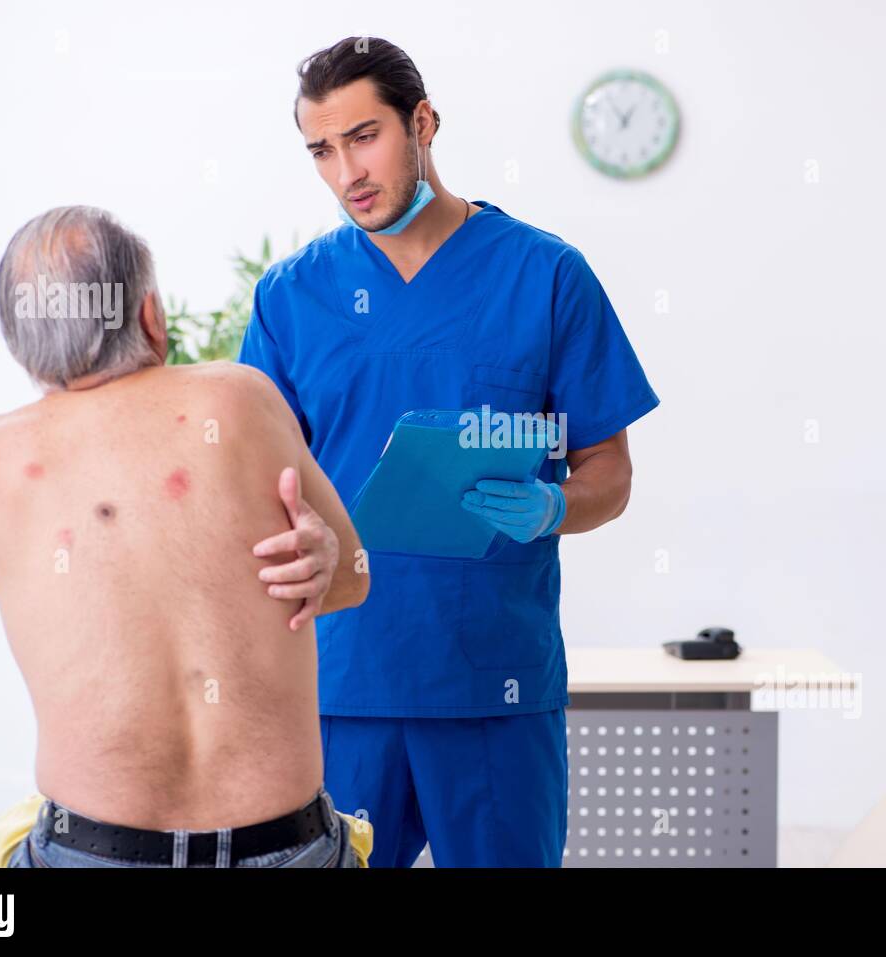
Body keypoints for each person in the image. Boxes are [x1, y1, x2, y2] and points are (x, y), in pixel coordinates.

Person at [238, 37, 660, 867]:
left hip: (494, 682)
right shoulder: (291, 297)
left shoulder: (544, 277)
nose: (345, 172)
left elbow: (609, 474)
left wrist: (553, 507)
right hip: (344, 683)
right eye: (321, 150)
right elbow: (256, 488)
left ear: (423, 122)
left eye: (365, 137)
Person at [0, 205, 369, 867]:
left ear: (19, 340)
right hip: (286, 848)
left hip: (90, 850)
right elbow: (354, 576)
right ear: (152, 316)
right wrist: (327, 559)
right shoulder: (238, 399)